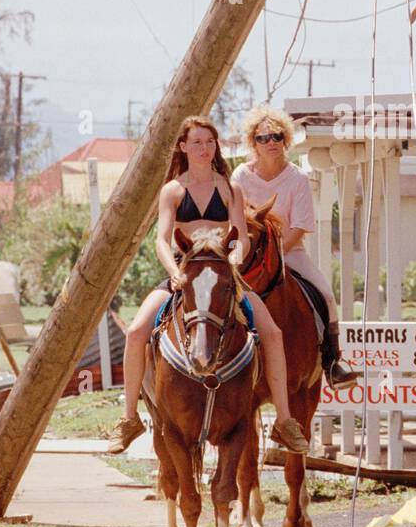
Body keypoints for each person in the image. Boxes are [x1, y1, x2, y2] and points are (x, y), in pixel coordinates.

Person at [106, 115, 309, 456]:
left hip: (222, 276)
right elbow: (161, 239)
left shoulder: (230, 187)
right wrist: (174, 271)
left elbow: (242, 238)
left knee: (272, 333)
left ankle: (285, 421)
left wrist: (234, 261)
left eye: (210, 142)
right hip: (183, 275)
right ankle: (129, 419)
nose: (204, 148)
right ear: (184, 147)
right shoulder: (172, 189)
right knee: (136, 331)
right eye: (197, 142)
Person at [233, 105, 358, 387]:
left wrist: (273, 256)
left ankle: (332, 362)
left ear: (286, 139)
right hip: (248, 254)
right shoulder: (240, 176)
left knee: (325, 294)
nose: (271, 143)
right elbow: (234, 220)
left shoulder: (298, 178)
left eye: (277, 136)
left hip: (289, 252)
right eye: (263, 138)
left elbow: (299, 227)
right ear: (253, 142)